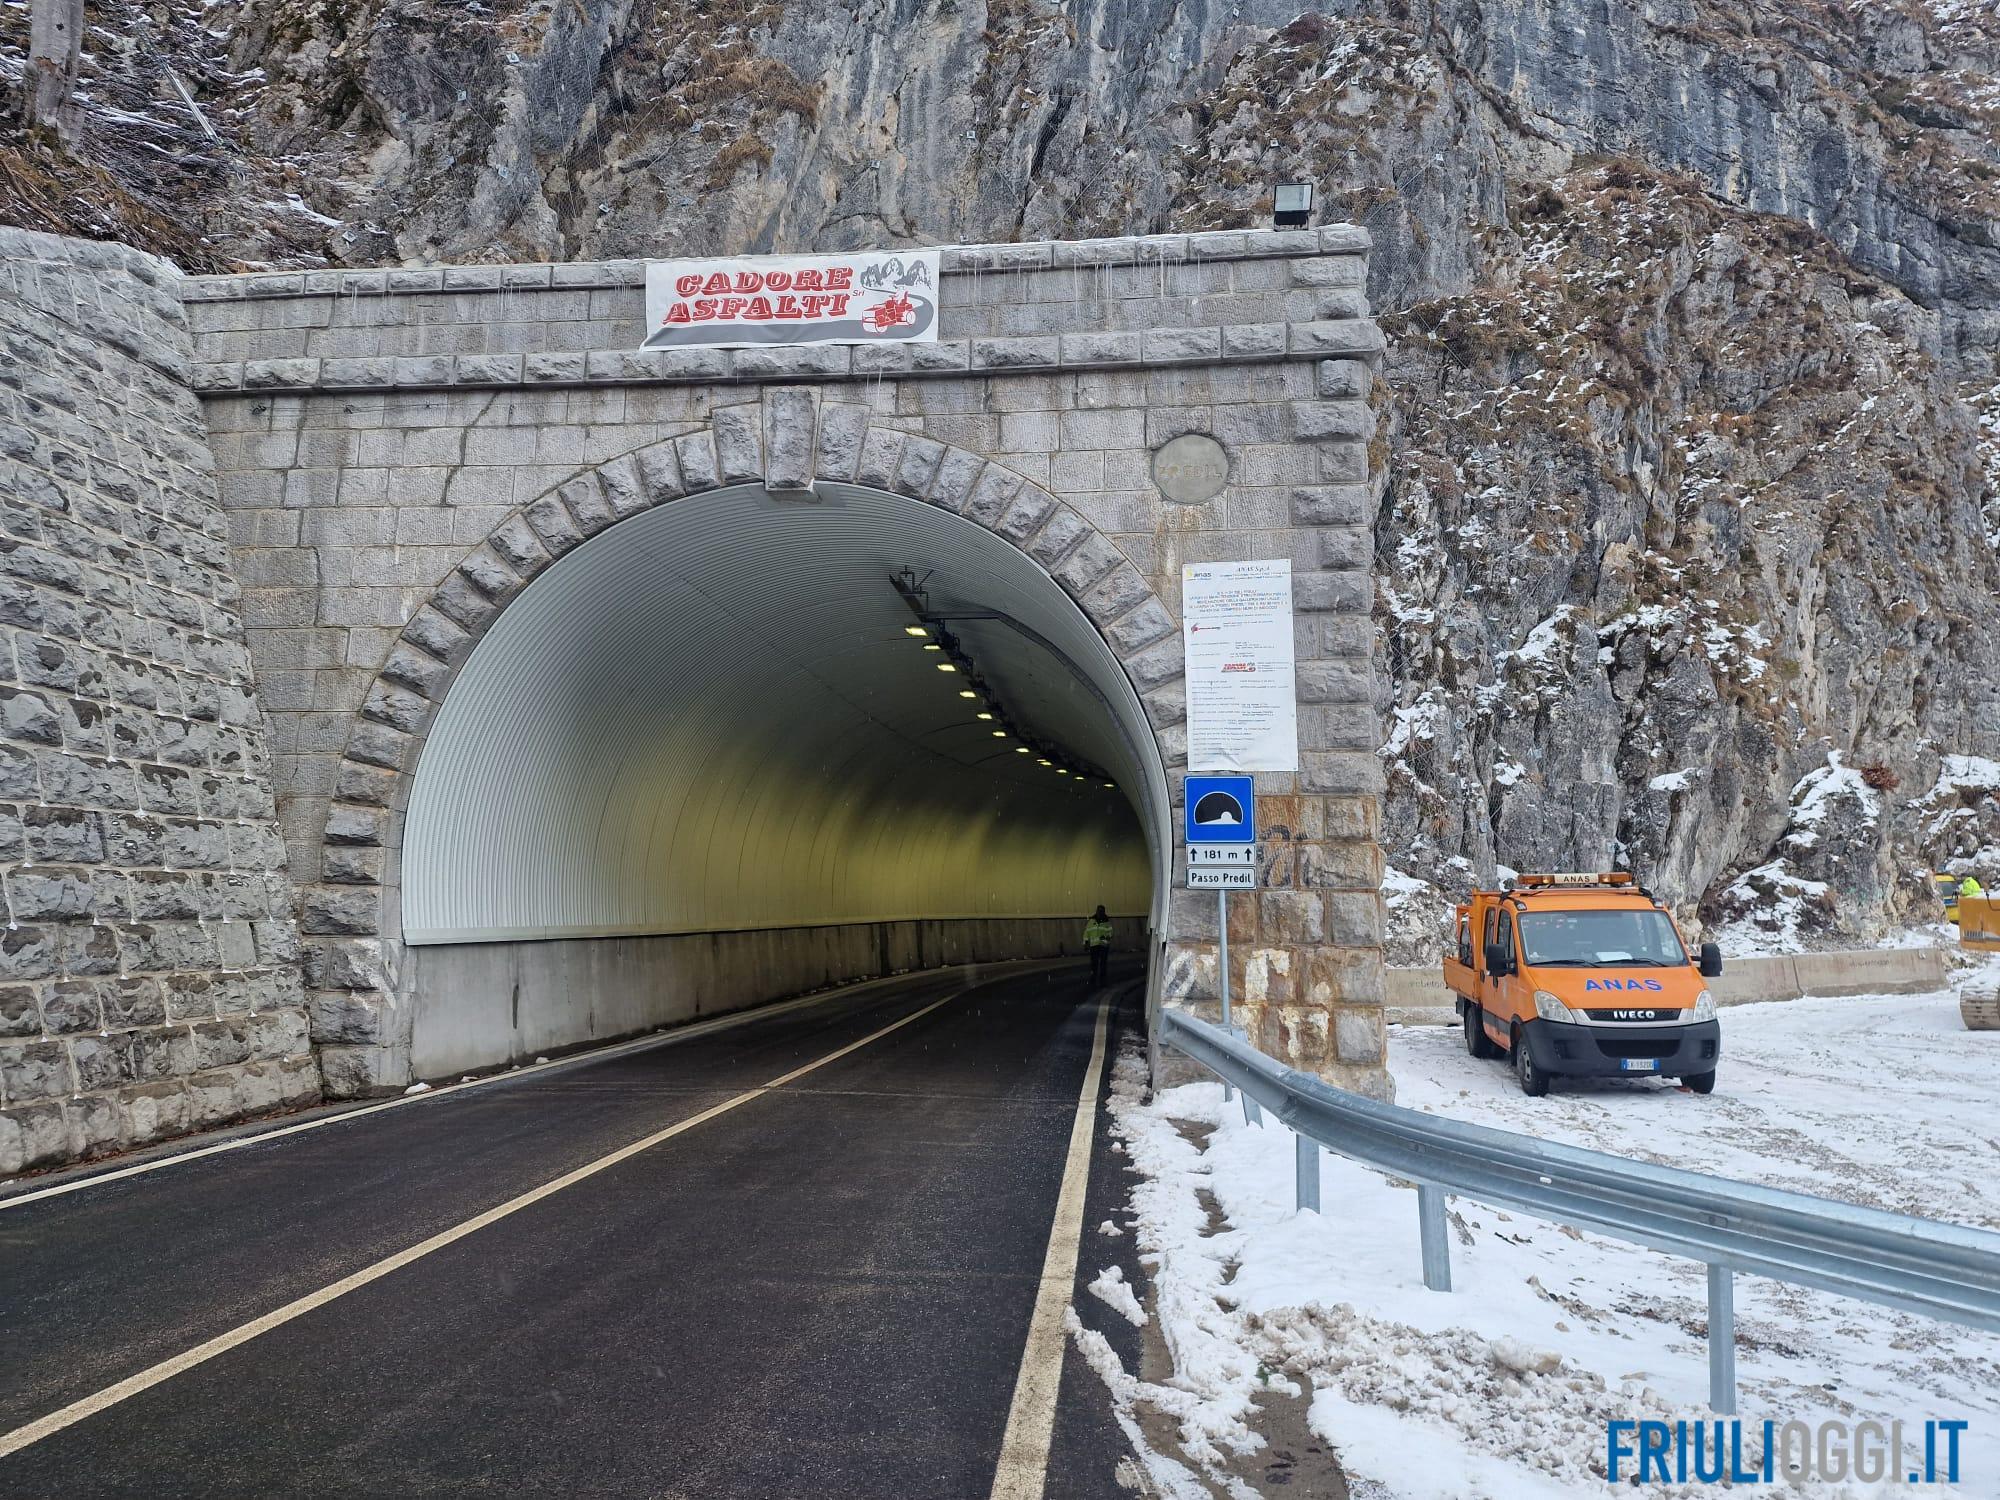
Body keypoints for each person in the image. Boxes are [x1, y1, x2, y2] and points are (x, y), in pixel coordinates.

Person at [1083, 905, 1114, 985]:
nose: (1100, 912)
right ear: (1096, 911)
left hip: (1103, 945)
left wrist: (1105, 938)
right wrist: (1085, 943)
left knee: (1103, 963)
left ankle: (1102, 980)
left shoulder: (1107, 922)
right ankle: (1094, 979)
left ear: (1104, 912)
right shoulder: (1091, 921)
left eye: (1101, 911)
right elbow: (1086, 933)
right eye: (1099, 911)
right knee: (1094, 963)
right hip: (1094, 946)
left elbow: (1111, 933)